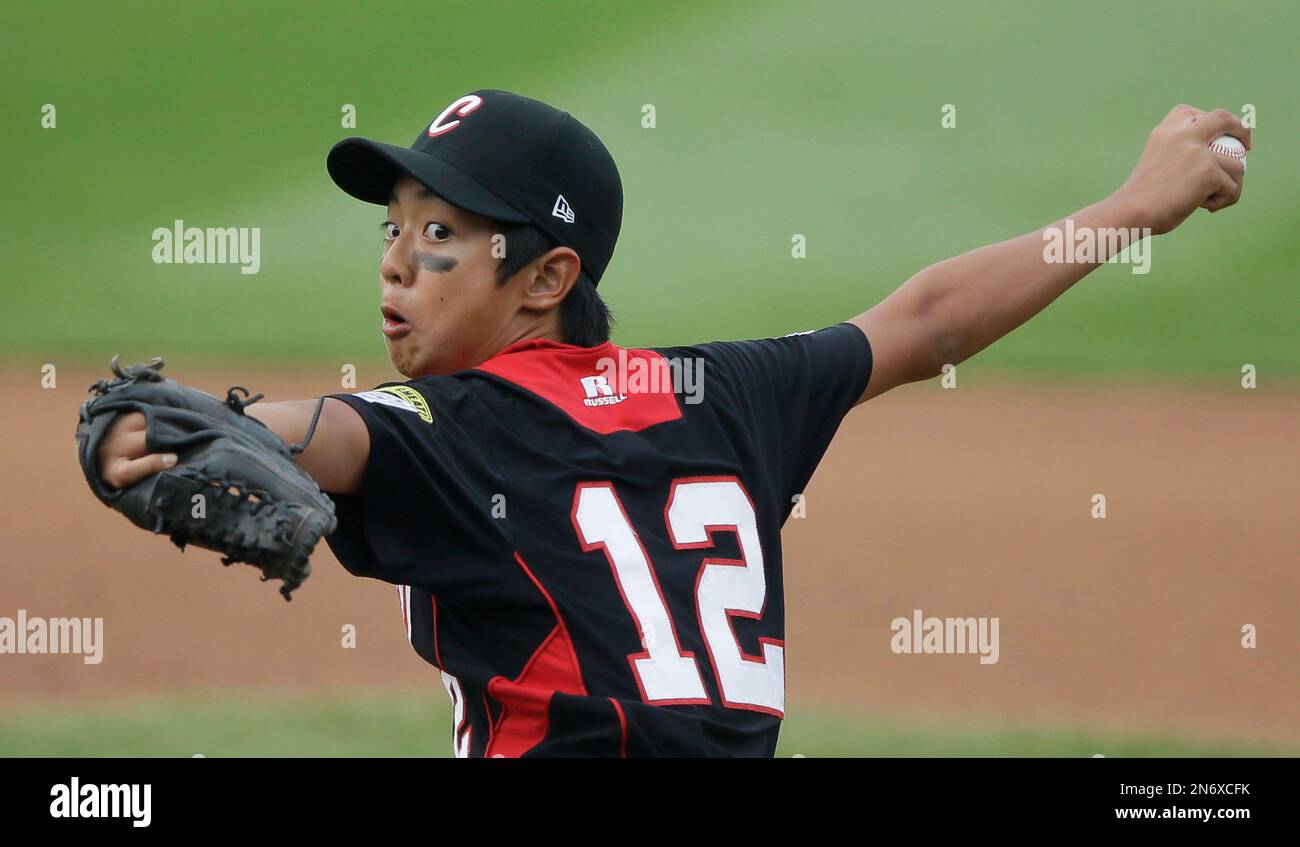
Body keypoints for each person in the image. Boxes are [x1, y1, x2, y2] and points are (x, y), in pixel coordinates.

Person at [96, 90, 1249, 757]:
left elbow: (325, 434)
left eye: (440, 234)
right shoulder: (732, 391)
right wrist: (1132, 204)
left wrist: (198, 433)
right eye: (392, 230)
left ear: (546, 276)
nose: (399, 263)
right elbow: (929, 319)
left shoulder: (440, 429)